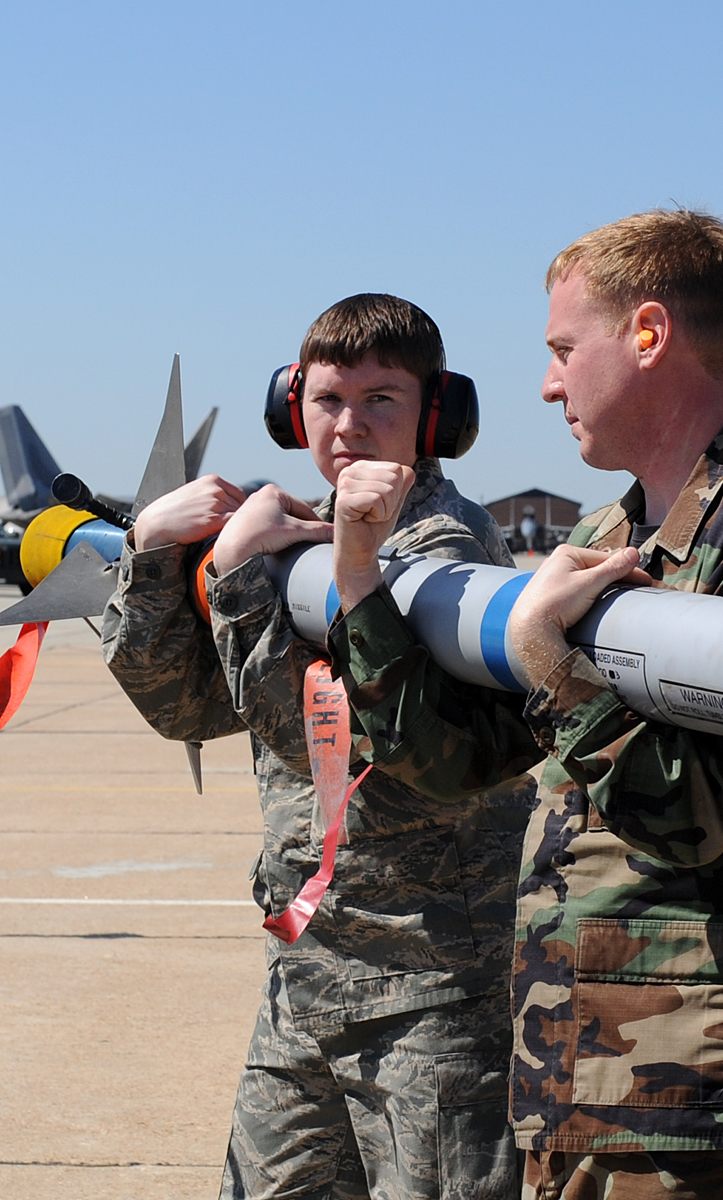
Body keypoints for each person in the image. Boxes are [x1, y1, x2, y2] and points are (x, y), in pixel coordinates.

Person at [327, 210, 723, 1199]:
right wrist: (360, 583)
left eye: (564, 349)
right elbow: (453, 762)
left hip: (695, 1092)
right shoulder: (609, 530)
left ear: (648, 336)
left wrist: (557, 670)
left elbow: (708, 821)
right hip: (580, 1070)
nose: (547, 382)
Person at [102, 293, 527, 1200]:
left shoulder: (443, 550)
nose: (349, 426)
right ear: (294, 407)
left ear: (436, 417)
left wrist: (239, 579)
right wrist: (149, 552)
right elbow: (186, 707)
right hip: (306, 979)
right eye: (329, 400)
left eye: (382, 400)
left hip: (431, 1000)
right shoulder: (306, 531)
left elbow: (317, 743)